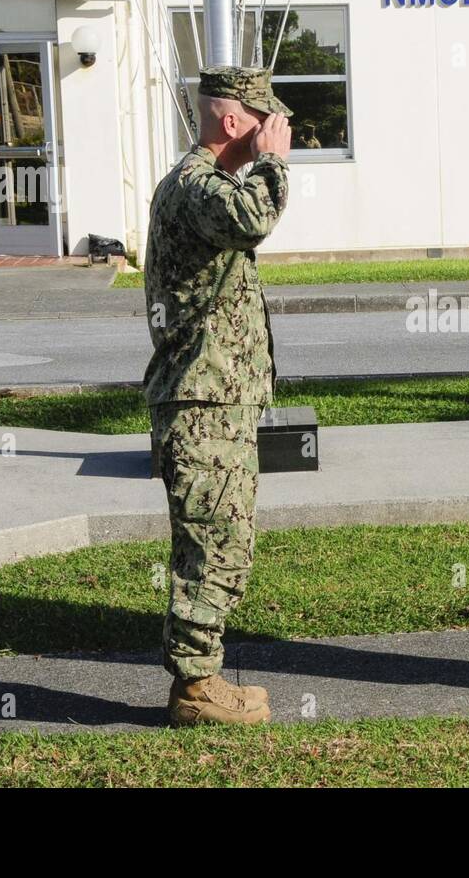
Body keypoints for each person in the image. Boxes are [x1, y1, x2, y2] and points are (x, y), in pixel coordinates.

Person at [143, 65, 292, 726]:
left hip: (215, 399)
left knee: (221, 540)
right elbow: (254, 218)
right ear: (234, 122)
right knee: (212, 545)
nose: (273, 134)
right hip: (201, 405)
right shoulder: (198, 188)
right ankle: (198, 690)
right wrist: (274, 165)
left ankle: (203, 678)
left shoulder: (198, 187)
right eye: (264, 123)